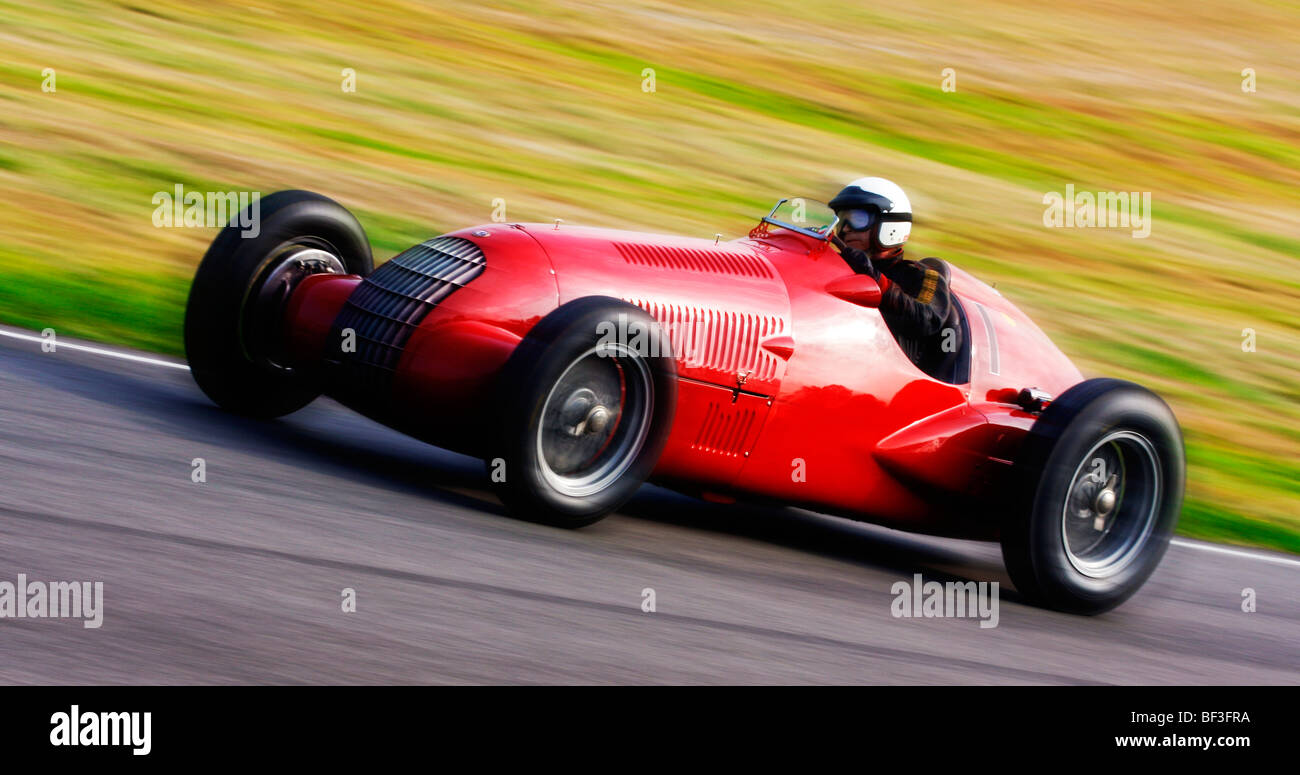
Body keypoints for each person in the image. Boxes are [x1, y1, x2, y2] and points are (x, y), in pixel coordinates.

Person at [828, 177, 963, 380]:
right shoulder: (839, 264)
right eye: (842, 218)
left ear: (890, 225)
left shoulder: (921, 276)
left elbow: (927, 319)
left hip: (886, 379)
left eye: (857, 218)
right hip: (836, 356)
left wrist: (875, 280)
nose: (845, 228)